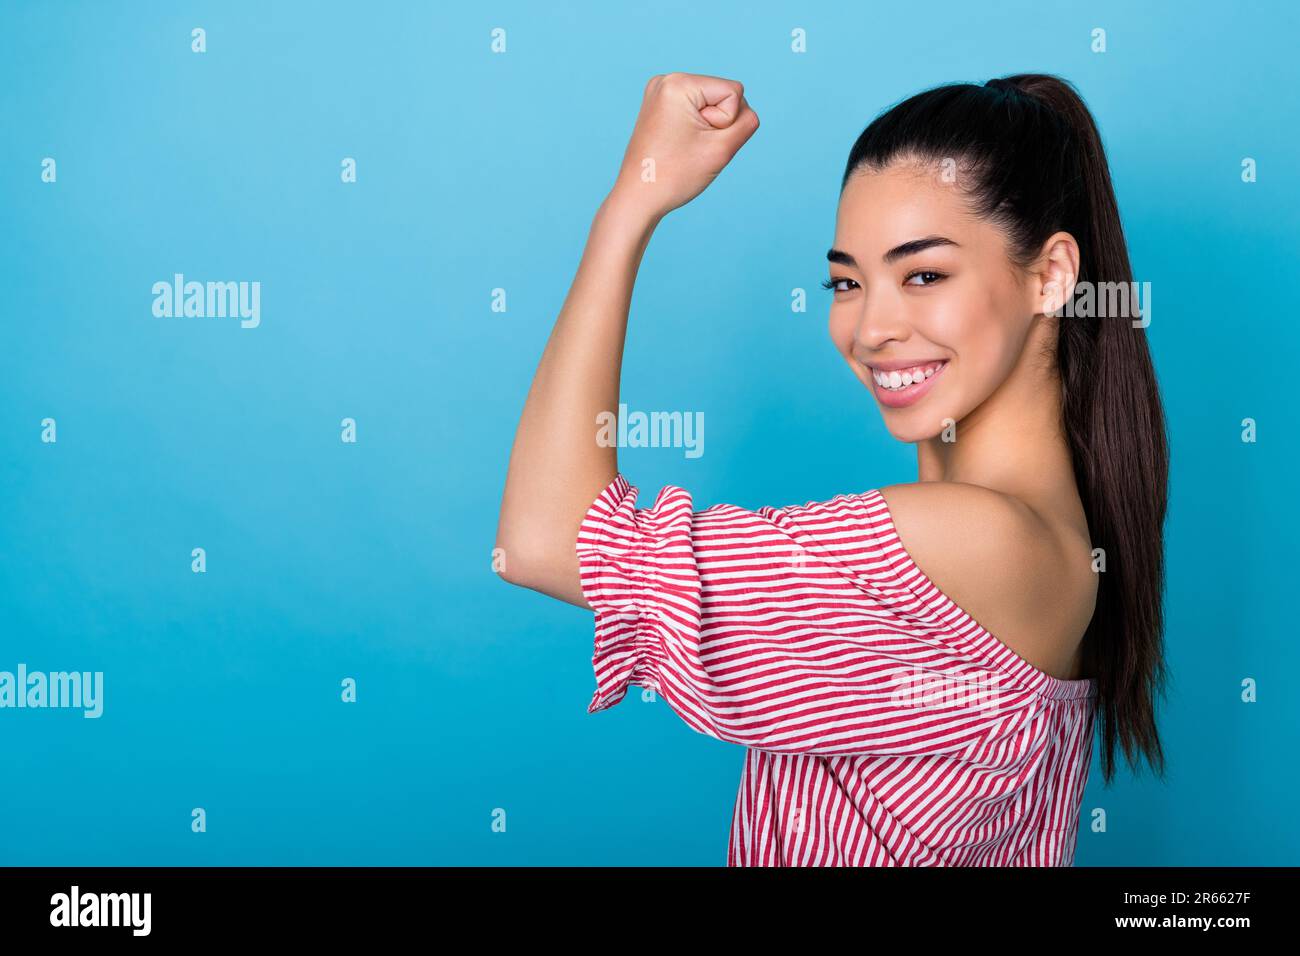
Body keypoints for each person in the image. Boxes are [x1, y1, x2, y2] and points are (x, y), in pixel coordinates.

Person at [495, 72, 1168, 866]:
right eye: (846, 282)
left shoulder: (981, 543)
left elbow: (541, 541)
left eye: (924, 274)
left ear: (1051, 276)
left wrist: (628, 209)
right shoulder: (1040, 541)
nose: (872, 327)